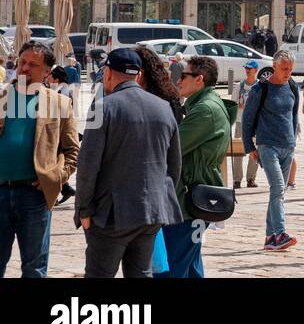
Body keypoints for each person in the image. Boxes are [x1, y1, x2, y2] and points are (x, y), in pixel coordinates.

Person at [75, 49, 182, 278]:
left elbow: (87, 165)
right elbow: (174, 166)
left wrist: (84, 209)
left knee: (99, 274)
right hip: (151, 211)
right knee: (142, 273)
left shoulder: (102, 107)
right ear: (139, 75)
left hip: (112, 213)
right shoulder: (163, 108)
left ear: (108, 73)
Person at [0, 43, 79, 278]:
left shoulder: (59, 103)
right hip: (0, 192)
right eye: (22, 62)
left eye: (32, 65)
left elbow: (72, 150)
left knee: (34, 267)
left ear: (47, 71)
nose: (24, 68)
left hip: (34, 196)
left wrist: (57, 176)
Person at [159, 55, 232, 278]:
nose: (178, 81)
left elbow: (171, 147)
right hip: (196, 196)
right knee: (191, 266)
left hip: (188, 199)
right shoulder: (203, 105)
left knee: (173, 266)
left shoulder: (205, 110)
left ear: (199, 79)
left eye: (183, 76)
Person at [241, 50, 301, 251]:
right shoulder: (261, 89)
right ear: (274, 66)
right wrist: (250, 147)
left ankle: (270, 238)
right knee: (277, 188)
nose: (288, 73)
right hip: (267, 146)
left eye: (291, 69)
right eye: (284, 69)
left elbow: (293, 116)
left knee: (278, 192)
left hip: (287, 146)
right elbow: (247, 120)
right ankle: (281, 233)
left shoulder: (292, 86)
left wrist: (293, 141)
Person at [231, 61, 261, 189]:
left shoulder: (261, 86)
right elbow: (232, 104)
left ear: (256, 70)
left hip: (256, 123)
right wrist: (239, 104)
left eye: (250, 68)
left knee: (254, 151)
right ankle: (237, 180)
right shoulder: (239, 86)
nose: (247, 70)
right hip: (240, 122)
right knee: (238, 152)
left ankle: (251, 178)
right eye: (246, 68)